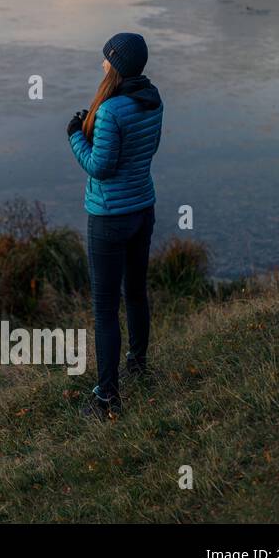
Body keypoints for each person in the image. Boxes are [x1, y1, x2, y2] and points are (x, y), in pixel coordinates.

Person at [66, 32, 163, 418]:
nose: (102, 64)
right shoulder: (152, 100)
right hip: (143, 208)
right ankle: (137, 364)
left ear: (118, 66)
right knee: (136, 292)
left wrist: (75, 136)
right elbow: (144, 151)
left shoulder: (110, 111)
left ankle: (107, 398)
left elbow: (100, 168)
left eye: (106, 59)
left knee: (105, 309)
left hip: (109, 218)